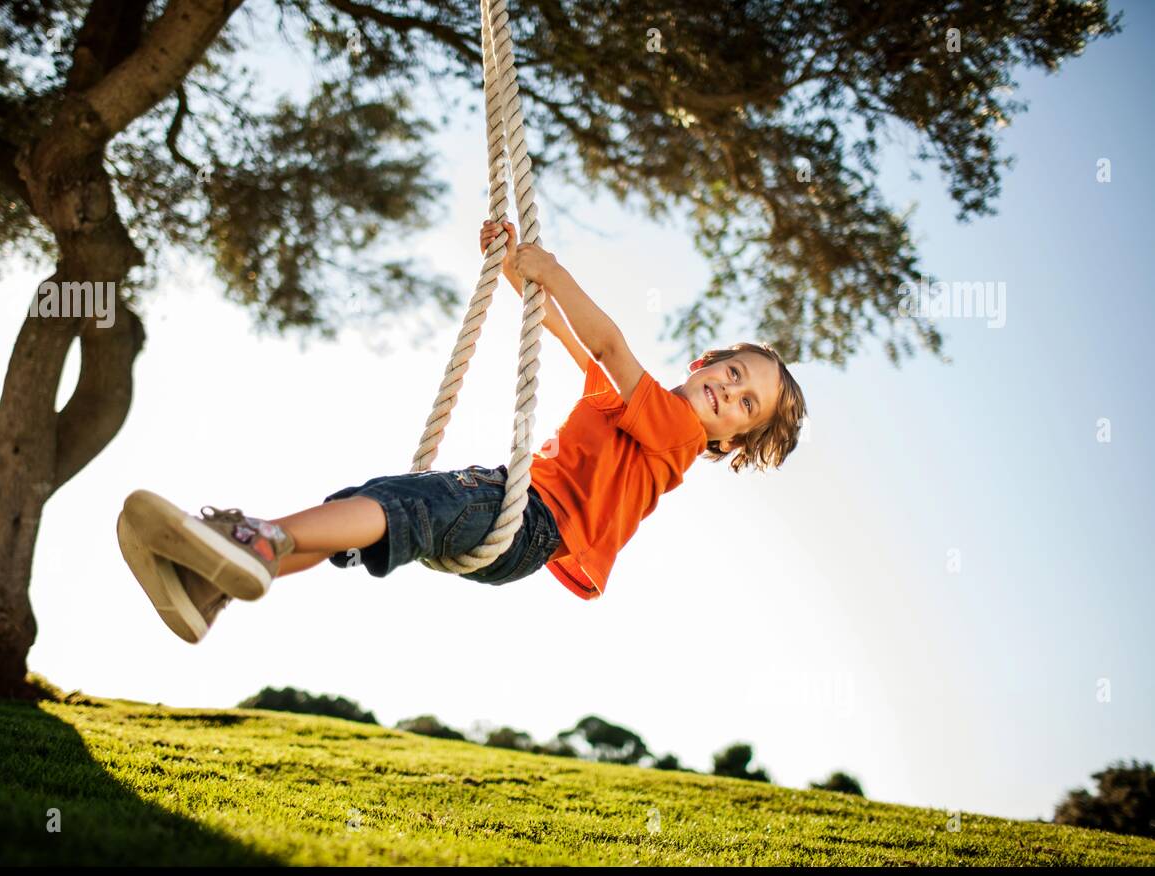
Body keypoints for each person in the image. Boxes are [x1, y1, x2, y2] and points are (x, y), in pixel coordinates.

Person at [119, 220, 808, 643]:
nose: (731, 394)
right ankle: (209, 586)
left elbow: (607, 345)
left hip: (528, 522)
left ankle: (255, 538)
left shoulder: (678, 434)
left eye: (745, 407)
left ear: (727, 443)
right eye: (737, 373)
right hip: (514, 518)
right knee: (369, 504)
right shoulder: (634, 402)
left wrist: (554, 271)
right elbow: (568, 337)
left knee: (400, 507)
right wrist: (514, 270)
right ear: (707, 360)